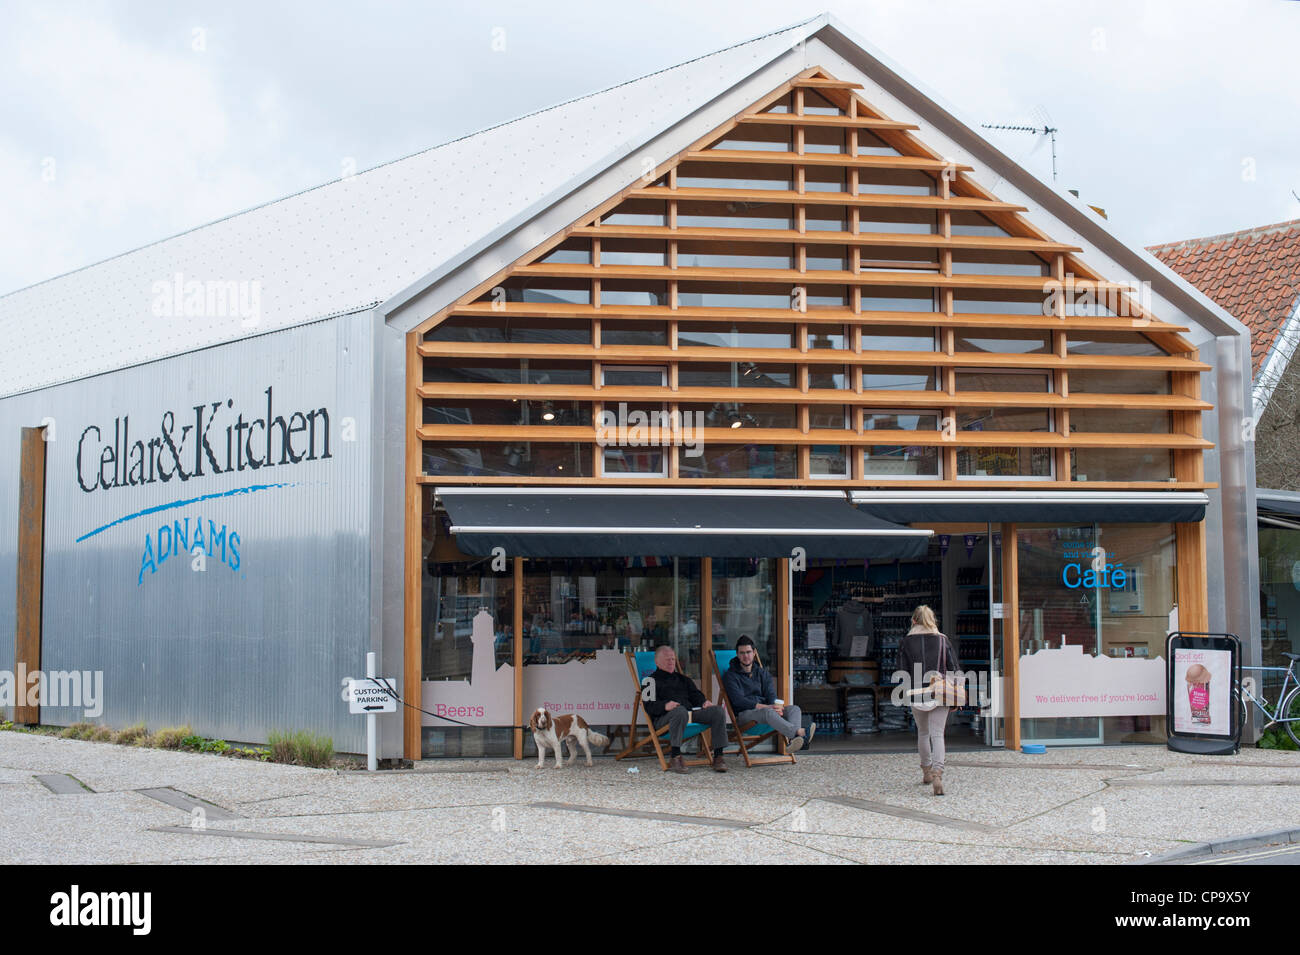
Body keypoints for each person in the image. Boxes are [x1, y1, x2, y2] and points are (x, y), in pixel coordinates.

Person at [898, 605, 959, 796]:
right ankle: (938, 774)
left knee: (923, 733)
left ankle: (926, 772)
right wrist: (955, 694)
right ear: (933, 620)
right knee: (937, 735)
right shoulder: (943, 640)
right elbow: (953, 668)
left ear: (914, 621)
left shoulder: (906, 642)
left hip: (917, 692)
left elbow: (901, 671)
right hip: (940, 691)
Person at [642, 645, 728, 774]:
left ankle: (718, 757)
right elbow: (648, 706)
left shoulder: (683, 679)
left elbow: (695, 695)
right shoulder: (649, 681)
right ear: (657, 662)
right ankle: (675, 757)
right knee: (680, 711)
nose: (671, 662)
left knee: (718, 711)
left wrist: (703, 702)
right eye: (667, 659)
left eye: (673, 659)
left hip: (689, 714)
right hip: (664, 719)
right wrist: (665, 706)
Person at [721, 635, 815, 753]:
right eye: (742, 653)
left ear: (754, 652)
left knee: (794, 709)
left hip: (767, 712)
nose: (746, 656)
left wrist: (776, 707)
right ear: (737, 654)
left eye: (748, 652)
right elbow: (739, 701)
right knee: (768, 712)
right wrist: (767, 707)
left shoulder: (762, 673)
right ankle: (800, 733)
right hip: (744, 714)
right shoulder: (730, 676)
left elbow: (770, 694)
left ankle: (794, 739)